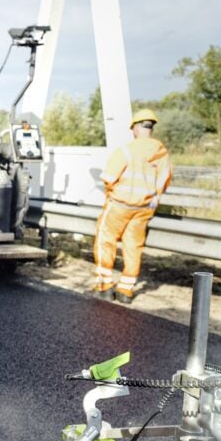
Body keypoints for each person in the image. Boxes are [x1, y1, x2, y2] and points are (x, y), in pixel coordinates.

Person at [93, 108, 173, 304]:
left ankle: (104, 286)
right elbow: (164, 182)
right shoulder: (162, 153)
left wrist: (113, 193)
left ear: (136, 128)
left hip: (120, 204)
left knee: (105, 240)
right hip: (144, 209)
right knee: (133, 246)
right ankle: (126, 290)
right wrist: (152, 200)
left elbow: (109, 178)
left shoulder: (126, 151)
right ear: (151, 128)